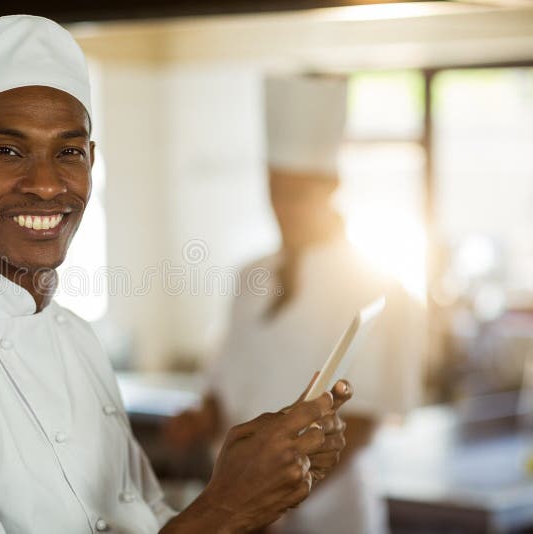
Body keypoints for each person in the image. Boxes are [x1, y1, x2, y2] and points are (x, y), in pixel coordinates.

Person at [0, 15, 353, 533]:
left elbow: (149, 522)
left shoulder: (75, 339)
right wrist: (225, 510)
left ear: (92, 161)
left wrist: (259, 489)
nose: (48, 184)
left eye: (68, 152)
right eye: (8, 151)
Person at [165, 76, 426, 534]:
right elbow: (223, 388)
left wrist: (275, 498)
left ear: (331, 186)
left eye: (298, 189)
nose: (283, 204)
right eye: (274, 186)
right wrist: (200, 420)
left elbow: (363, 421)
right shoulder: (250, 276)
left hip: (330, 518)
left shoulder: (378, 285)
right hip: (243, 512)